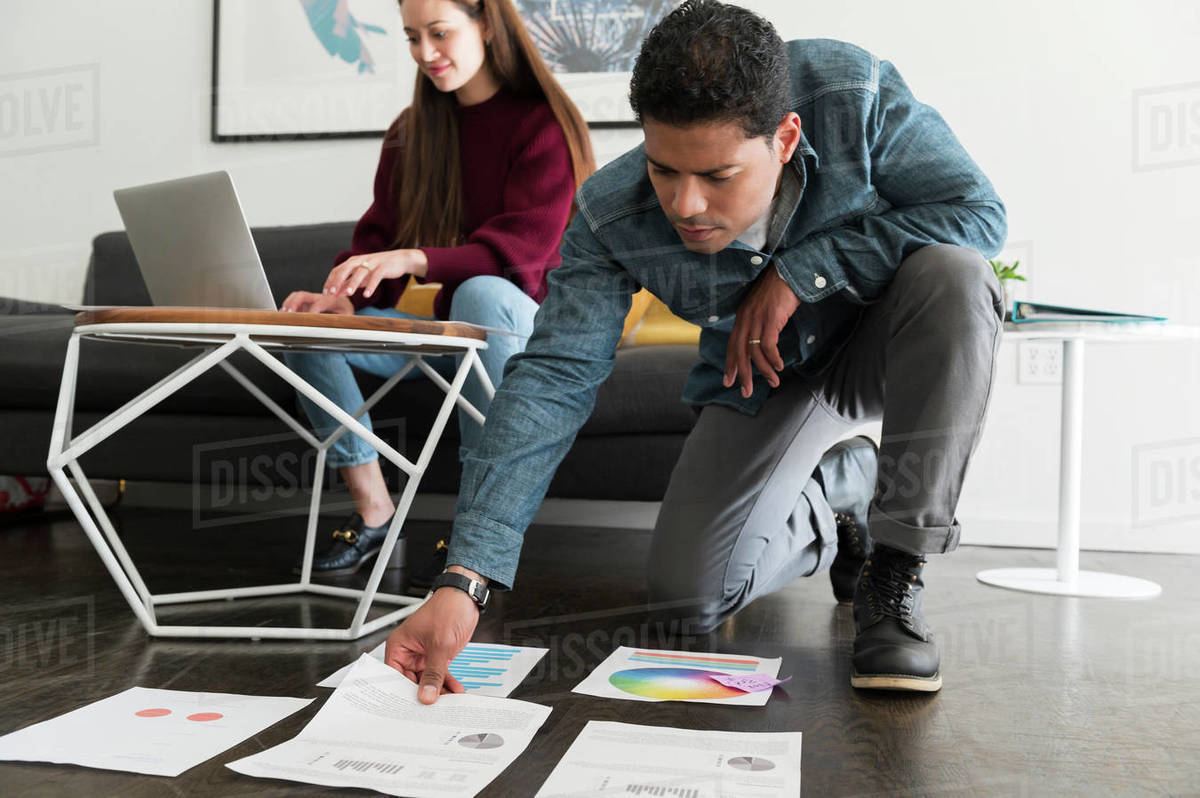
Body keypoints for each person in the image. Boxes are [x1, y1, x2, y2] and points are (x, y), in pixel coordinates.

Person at [386, 0, 1006, 698]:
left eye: (717, 178)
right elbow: (551, 380)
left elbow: (976, 214)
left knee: (956, 275)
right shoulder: (609, 214)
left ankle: (894, 576)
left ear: (784, 136)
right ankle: (840, 493)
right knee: (689, 601)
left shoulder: (850, 94)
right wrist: (464, 580)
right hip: (766, 374)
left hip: (889, 348)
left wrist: (801, 273)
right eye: (663, 170)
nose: (685, 205)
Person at [280, 0, 594, 578]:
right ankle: (376, 513)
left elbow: (519, 255)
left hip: (522, 336)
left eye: (440, 32)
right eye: (412, 37)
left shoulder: (542, 124)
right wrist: (345, 300)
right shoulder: (412, 131)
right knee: (309, 331)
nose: (426, 53)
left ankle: (479, 532)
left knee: (480, 292)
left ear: (487, 25)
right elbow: (378, 236)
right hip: (454, 338)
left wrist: (413, 258)